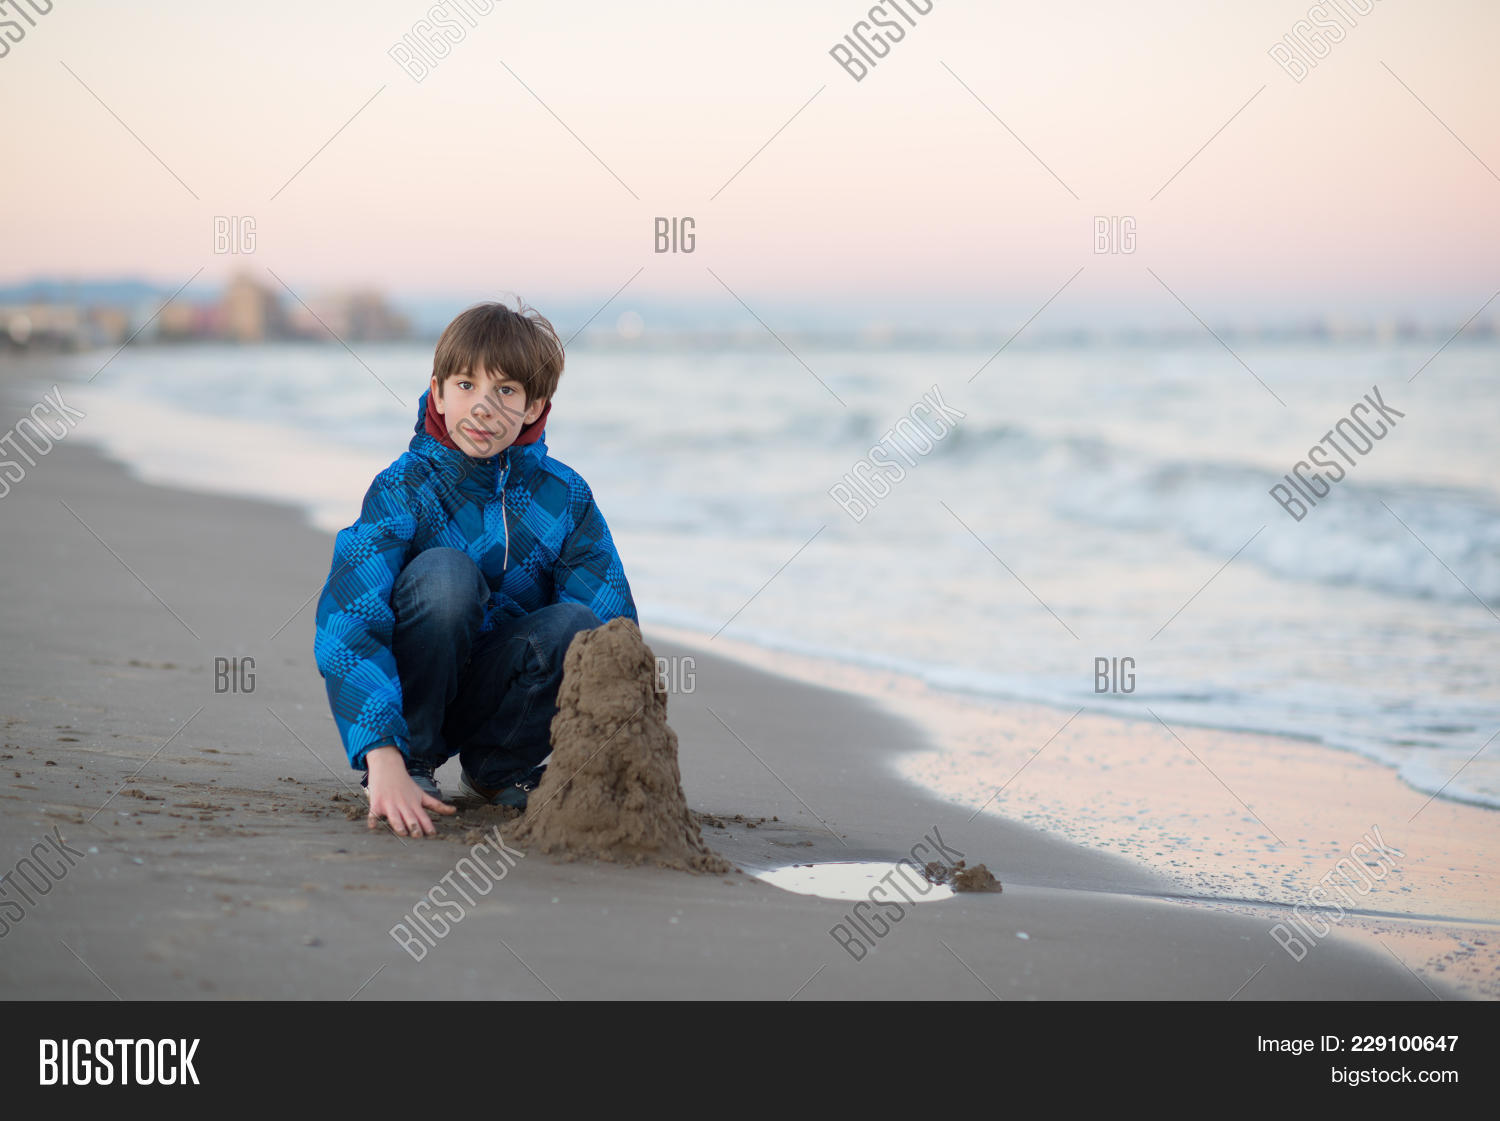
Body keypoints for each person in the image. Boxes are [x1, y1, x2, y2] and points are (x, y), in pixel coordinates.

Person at [313, 300, 637, 838]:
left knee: (577, 625)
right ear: (437, 390)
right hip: (415, 686)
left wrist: (616, 760)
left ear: (535, 406)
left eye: (506, 391)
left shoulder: (566, 497)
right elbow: (348, 617)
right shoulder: (404, 487)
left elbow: (611, 633)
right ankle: (411, 765)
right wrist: (381, 754)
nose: (483, 408)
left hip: (498, 692)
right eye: (466, 386)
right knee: (446, 575)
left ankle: (498, 767)